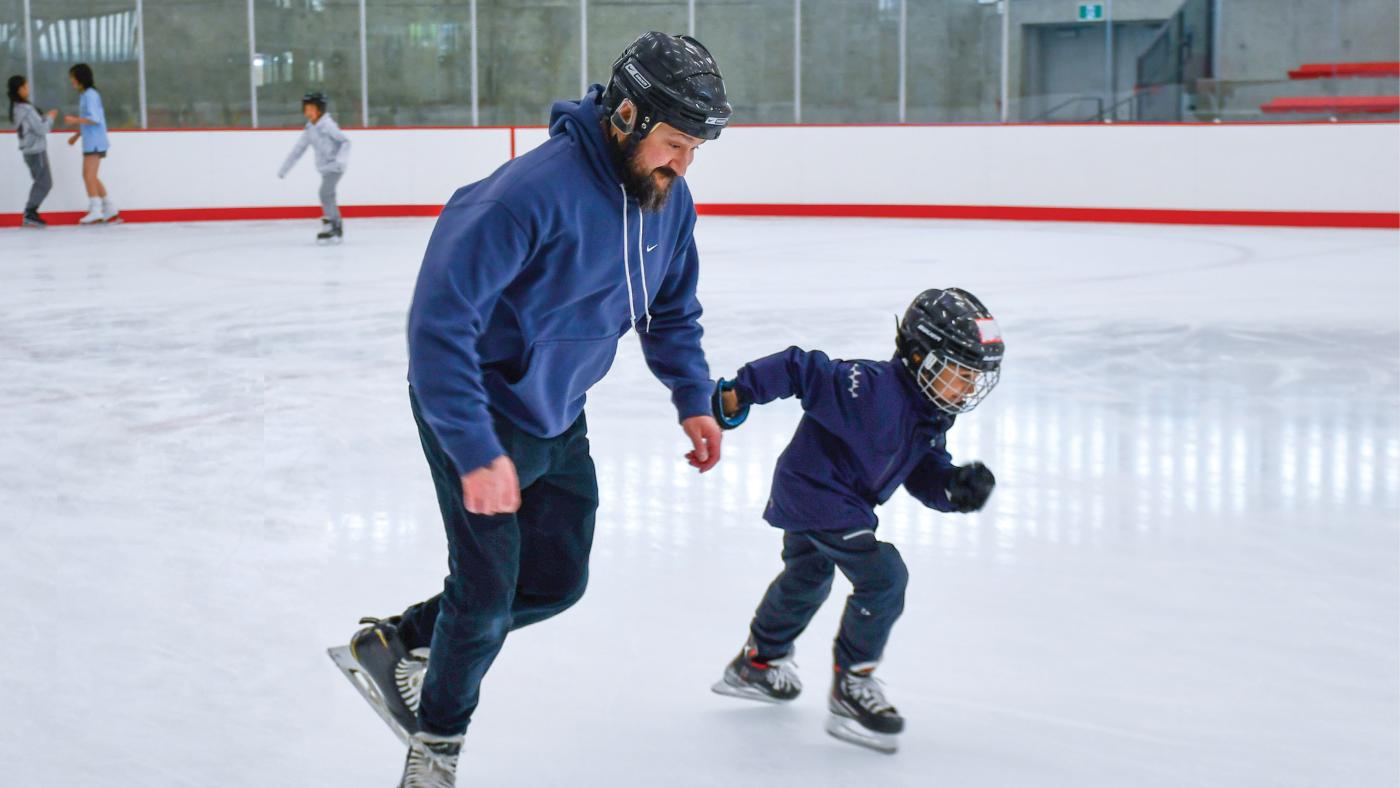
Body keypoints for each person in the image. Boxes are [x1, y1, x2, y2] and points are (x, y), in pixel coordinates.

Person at [344, 32, 732, 787]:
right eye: (675, 144)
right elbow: (438, 325)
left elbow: (673, 313)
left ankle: (402, 640)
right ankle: (437, 746)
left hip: (560, 411)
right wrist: (475, 449)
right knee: (486, 596)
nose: (684, 165)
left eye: (695, 150)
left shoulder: (667, 201)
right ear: (625, 114)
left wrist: (693, 399)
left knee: (557, 580)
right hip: (480, 410)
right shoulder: (525, 193)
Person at [708, 287, 1004, 754]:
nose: (967, 388)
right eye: (959, 374)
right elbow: (798, 367)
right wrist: (737, 392)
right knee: (884, 575)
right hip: (818, 494)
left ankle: (756, 664)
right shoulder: (869, 387)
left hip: (832, 501)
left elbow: (921, 470)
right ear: (918, 357)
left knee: (807, 578)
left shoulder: (931, 414)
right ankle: (854, 683)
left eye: (973, 377)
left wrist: (952, 488)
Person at [277, 91, 350, 243]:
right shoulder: (310, 129)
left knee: (325, 193)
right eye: (306, 108)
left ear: (320, 109)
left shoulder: (328, 126)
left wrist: (339, 161)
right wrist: (285, 169)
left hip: (335, 167)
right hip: (325, 168)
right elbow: (298, 150)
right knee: (328, 195)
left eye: (311, 108)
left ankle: (332, 225)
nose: (307, 112)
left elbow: (345, 141)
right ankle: (335, 226)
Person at [63, 63, 118, 225]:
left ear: (80, 78)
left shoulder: (90, 95)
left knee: (88, 175)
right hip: (92, 140)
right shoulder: (86, 95)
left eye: (72, 77)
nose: (71, 80)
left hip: (95, 141)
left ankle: (95, 210)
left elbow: (94, 119)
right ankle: (109, 207)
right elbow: (90, 120)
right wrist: (76, 135)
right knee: (92, 176)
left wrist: (74, 120)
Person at [7, 74, 57, 228]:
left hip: (28, 151)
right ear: (20, 89)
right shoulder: (26, 109)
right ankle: (30, 212)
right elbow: (42, 129)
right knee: (45, 182)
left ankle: (31, 213)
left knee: (40, 182)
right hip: (36, 151)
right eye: (26, 86)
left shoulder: (16, 108)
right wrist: (50, 117)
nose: (28, 89)